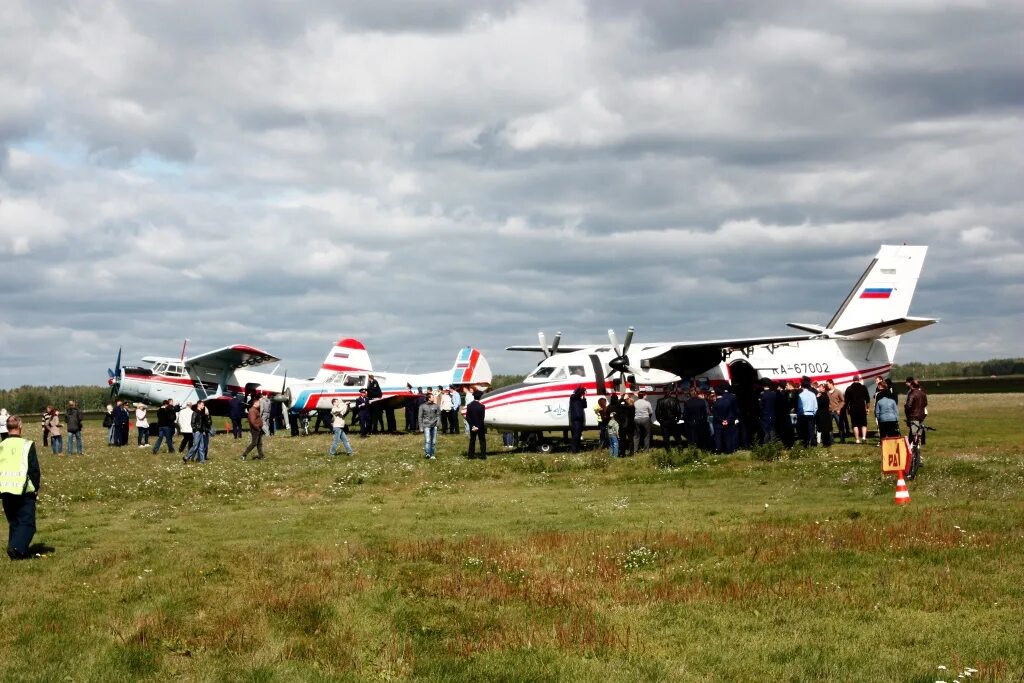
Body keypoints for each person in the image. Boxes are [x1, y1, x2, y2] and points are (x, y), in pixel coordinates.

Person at [0, 415, 41, 560]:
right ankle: (17, 549)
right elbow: (34, 469)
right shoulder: (27, 444)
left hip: (5, 489)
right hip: (23, 489)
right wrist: (35, 487)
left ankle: (14, 549)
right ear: (20, 426)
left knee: (14, 522)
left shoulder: (2, 445)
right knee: (28, 524)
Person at [711, 385, 739, 454]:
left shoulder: (715, 404)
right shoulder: (728, 402)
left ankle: (719, 450)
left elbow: (715, 415)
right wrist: (727, 420)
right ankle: (729, 450)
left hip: (718, 423)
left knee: (718, 437)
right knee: (728, 436)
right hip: (728, 421)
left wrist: (722, 420)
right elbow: (731, 412)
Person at [844, 375, 870, 444]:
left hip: (853, 408)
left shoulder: (849, 388)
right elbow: (867, 399)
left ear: (853, 380)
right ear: (859, 380)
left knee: (855, 425)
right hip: (861, 408)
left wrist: (847, 409)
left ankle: (857, 439)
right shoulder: (863, 387)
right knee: (864, 424)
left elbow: (846, 401)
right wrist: (867, 408)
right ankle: (864, 437)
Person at [905, 379, 928, 449]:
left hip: (913, 416)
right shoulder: (923, 393)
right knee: (917, 433)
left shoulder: (912, 394)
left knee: (914, 434)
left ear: (912, 385)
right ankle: (917, 446)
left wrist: (906, 408)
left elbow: (908, 405)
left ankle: (914, 449)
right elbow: (925, 403)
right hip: (921, 416)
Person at [796, 377, 818, 447]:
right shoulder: (813, 394)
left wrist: (799, 414)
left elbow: (799, 407)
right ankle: (813, 442)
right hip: (811, 413)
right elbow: (815, 406)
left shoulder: (800, 395)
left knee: (804, 430)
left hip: (803, 414)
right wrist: (814, 413)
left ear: (802, 386)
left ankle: (805, 443)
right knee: (811, 429)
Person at [418, 390, 440, 459]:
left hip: (434, 425)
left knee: (433, 442)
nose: (434, 398)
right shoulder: (422, 406)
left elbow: (438, 415)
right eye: (433, 397)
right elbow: (420, 417)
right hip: (426, 425)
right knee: (427, 440)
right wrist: (421, 427)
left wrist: (438, 424)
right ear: (429, 398)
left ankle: (432, 454)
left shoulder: (436, 406)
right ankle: (427, 453)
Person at [466, 390, 486, 459]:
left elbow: (467, 417)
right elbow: (482, 418)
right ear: (480, 397)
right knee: (482, 441)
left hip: (472, 426)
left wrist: (472, 426)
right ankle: (483, 455)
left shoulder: (469, 406)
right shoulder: (482, 406)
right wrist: (477, 426)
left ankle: (471, 455)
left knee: (472, 440)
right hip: (480, 426)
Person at [568, 386, 587, 453]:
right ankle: (574, 450)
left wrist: (584, 397)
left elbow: (585, 406)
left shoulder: (580, 399)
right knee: (576, 435)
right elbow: (577, 394)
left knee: (578, 435)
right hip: (575, 419)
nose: (582, 394)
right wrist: (582, 390)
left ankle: (577, 449)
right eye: (582, 393)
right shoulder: (573, 397)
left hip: (580, 419)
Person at [815, 383, 833, 447]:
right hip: (823, 414)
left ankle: (826, 443)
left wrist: (817, 398)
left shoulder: (823, 396)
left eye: (820, 387)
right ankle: (826, 443)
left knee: (825, 430)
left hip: (823, 414)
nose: (819, 388)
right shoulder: (823, 395)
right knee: (824, 430)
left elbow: (818, 404)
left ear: (824, 388)